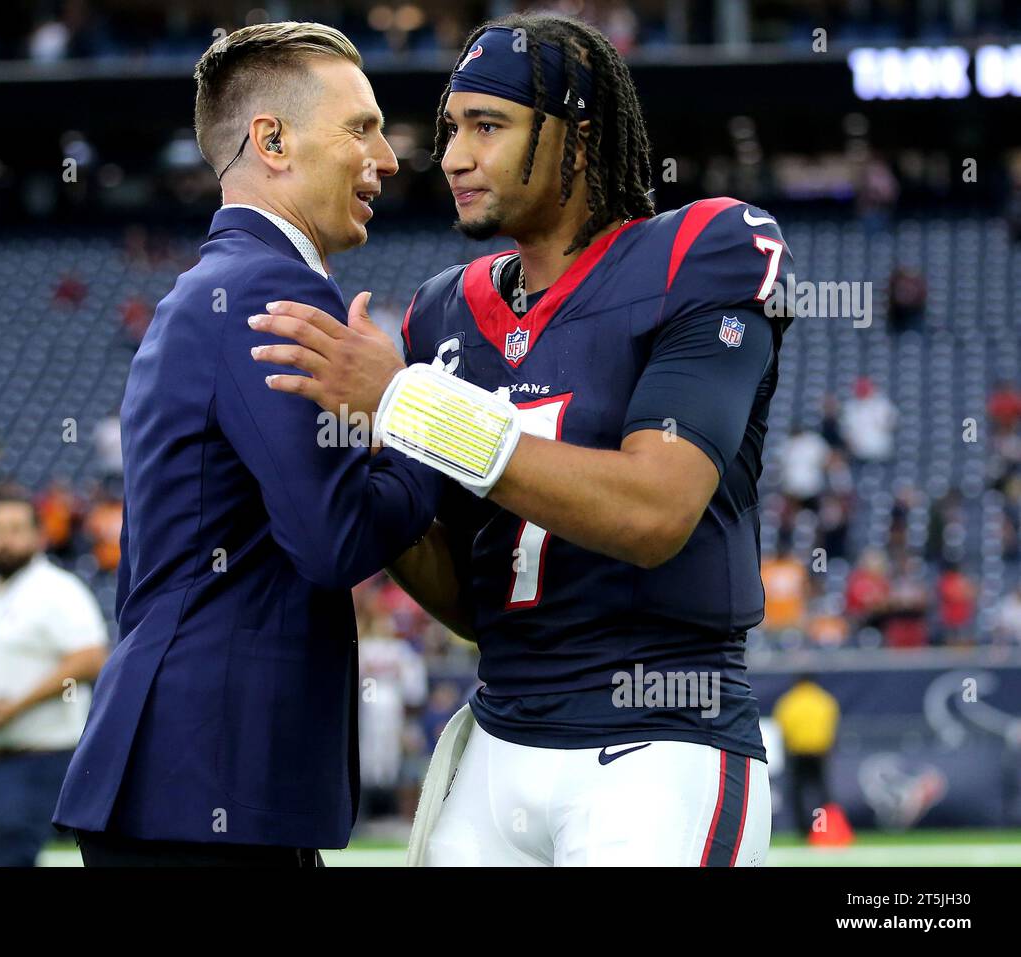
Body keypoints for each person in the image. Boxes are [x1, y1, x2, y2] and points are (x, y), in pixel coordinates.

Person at [252, 12, 793, 866]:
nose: (455, 156)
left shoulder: (703, 247)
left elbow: (655, 511)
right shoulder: (443, 309)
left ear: (578, 136)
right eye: (451, 129)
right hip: (497, 742)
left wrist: (404, 400)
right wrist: (350, 465)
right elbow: (476, 598)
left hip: (657, 746)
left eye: (487, 125)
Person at [52, 21, 439, 867]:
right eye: (361, 127)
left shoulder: (216, 284)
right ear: (272, 139)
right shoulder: (272, 286)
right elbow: (333, 540)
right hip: (214, 775)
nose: (389, 157)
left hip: (193, 769)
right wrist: (420, 415)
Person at [0, 492, 109, 866]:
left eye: (15, 529)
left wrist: (16, 706)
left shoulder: (59, 590)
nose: (4, 540)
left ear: (38, 536)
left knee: (14, 858)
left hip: (39, 757)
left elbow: (91, 658)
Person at [772, 675, 840, 837]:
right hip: (819, 752)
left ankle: (802, 829)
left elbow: (782, 726)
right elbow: (831, 723)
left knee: (797, 793)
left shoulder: (789, 700)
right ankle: (823, 828)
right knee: (822, 793)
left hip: (797, 753)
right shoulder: (823, 699)